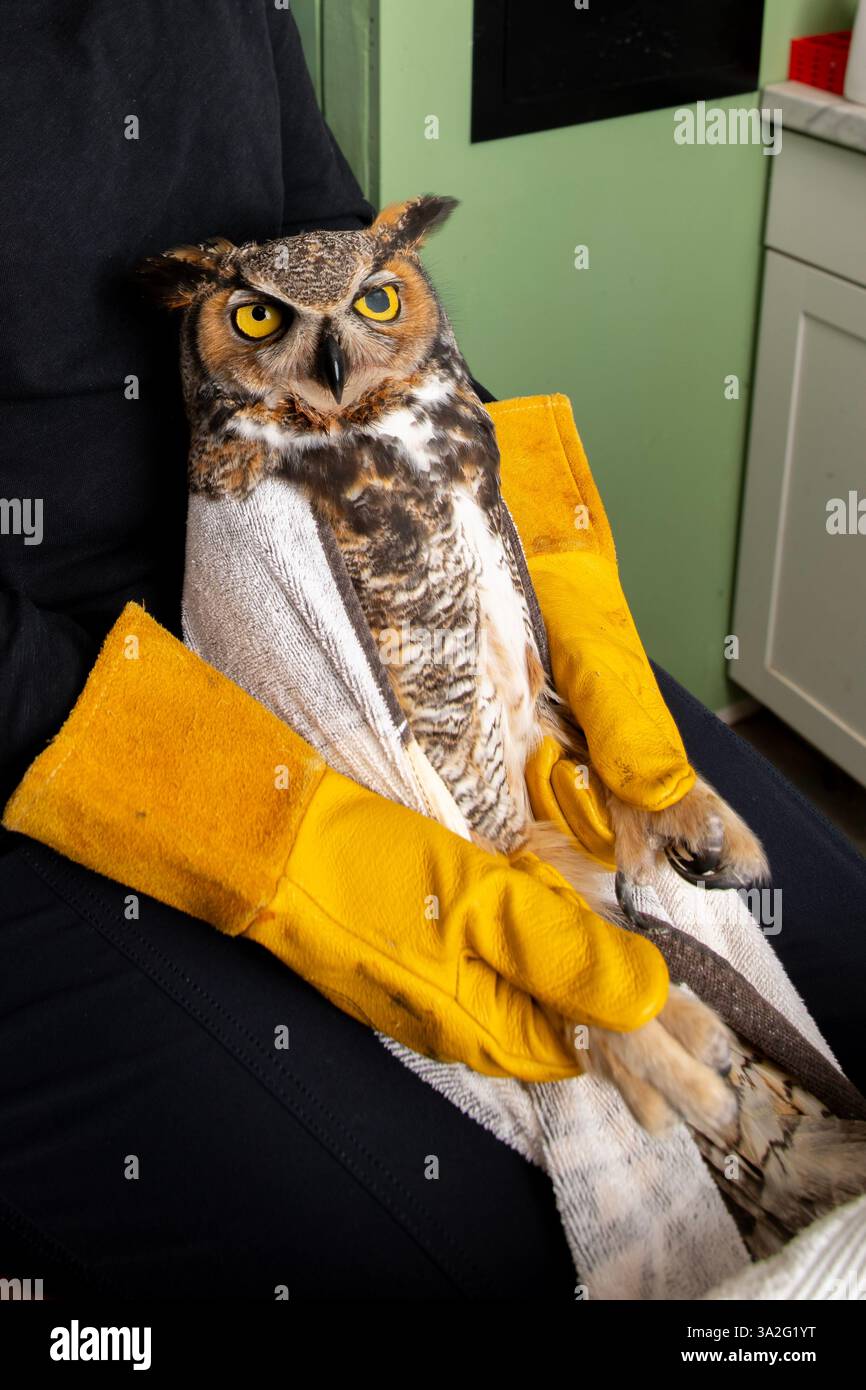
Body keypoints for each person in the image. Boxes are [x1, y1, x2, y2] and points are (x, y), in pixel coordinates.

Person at [1, 1, 863, 1299]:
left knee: (824, 965)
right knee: (498, 1225)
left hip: (359, 550)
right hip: (63, 699)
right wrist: (299, 853)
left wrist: (537, 570)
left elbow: (350, 262)